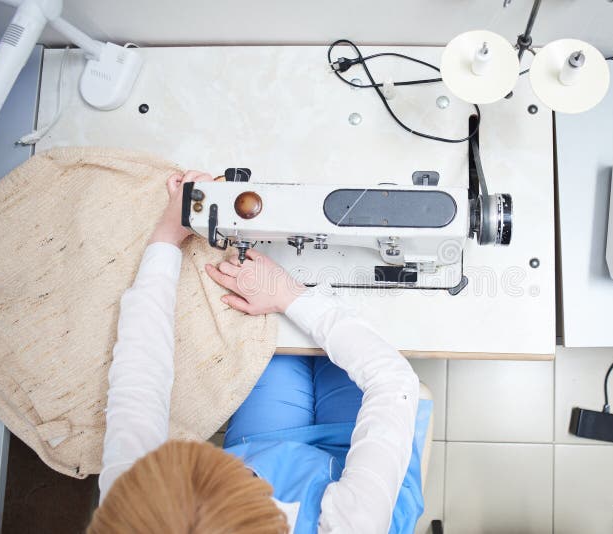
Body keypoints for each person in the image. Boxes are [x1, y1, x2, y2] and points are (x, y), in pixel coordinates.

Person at [87, 171, 430, 534]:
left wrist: (167, 237)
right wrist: (290, 295)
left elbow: (138, 386)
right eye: (246, 478)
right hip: (354, 463)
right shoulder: (357, 525)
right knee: (348, 333)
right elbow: (393, 382)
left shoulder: (138, 510)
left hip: (269, 448)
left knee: (271, 346)